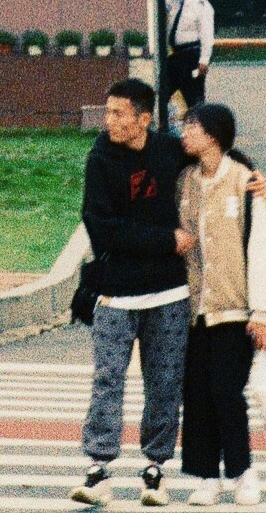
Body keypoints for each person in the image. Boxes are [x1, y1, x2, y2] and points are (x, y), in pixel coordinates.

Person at [73, 78, 189, 506]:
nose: (109, 121)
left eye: (119, 114)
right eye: (108, 112)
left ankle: (156, 470)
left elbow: (217, 154)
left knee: (165, 384)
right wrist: (165, 241)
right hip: (117, 295)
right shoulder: (100, 158)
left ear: (143, 119)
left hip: (169, 294)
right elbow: (102, 229)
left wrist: (251, 174)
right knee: (108, 381)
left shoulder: (168, 150)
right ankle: (98, 469)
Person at [175, 103, 266, 506]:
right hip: (192, 311)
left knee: (225, 392)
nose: (184, 134)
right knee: (197, 395)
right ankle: (205, 477)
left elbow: (260, 247)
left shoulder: (243, 181)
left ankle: (242, 472)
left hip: (234, 309)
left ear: (214, 135)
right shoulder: (184, 180)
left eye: (192, 127)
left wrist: (263, 313)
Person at [162, 0, 215, 124]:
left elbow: (207, 35)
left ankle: (202, 126)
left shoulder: (201, 5)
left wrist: (204, 60)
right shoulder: (174, 1)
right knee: (163, 91)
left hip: (192, 55)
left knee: (194, 98)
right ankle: (163, 125)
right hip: (177, 56)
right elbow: (159, 0)